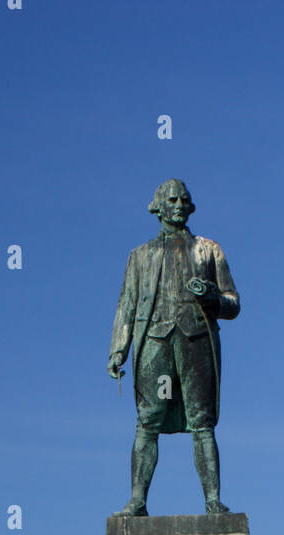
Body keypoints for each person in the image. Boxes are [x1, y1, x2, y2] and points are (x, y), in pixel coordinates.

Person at [108, 179, 240, 515]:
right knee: (147, 421)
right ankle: (137, 500)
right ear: (158, 207)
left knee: (202, 421)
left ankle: (213, 502)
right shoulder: (139, 256)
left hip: (195, 342)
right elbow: (126, 304)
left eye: (185, 200)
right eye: (172, 200)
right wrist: (118, 350)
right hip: (155, 342)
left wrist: (211, 297)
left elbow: (233, 304)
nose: (179, 205)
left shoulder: (209, 249)